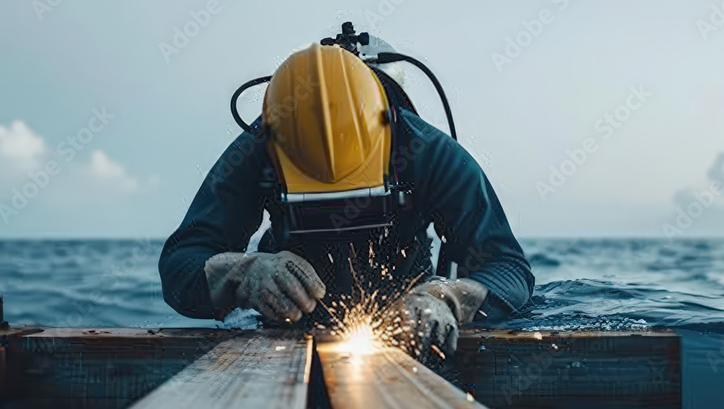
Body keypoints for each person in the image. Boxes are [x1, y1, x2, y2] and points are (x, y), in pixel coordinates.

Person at [159, 39, 533, 361]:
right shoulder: (259, 149)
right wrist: (243, 273)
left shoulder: (429, 152)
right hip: (285, 331)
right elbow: (180, 265)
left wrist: (446, 297)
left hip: (408, 329)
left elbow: (508, 269)